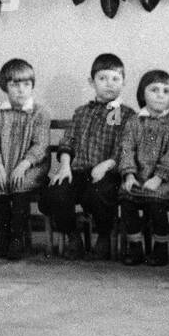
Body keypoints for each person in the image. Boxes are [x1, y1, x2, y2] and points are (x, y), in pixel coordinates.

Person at [43, 52, 133, 260]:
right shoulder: (82, 112)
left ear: (123, 82)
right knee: (57, 191)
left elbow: (124, 147)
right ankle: (73, 235)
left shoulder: (122, 113)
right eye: (102, 79)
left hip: (107, 172)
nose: (109, 84)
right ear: (91, 82)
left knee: (101, 193)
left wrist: (105, 166)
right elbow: (68, 142)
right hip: (77, 171)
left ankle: (103, 235)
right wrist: (65, 166)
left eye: (115, 79)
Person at [118, 70, 169, 266]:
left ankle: (161, 248)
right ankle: (136, 247)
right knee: (127, 199)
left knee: (155, 199)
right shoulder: (134, 121)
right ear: (143, 94)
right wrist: (129, 175)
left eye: (166, 91)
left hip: (168, 179)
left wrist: (158, 178)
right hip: (139, 176)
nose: (160, 94)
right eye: (154, 90)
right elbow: (126, 149)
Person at [0, 57, 51, 260]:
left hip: (31, 167)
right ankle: (5, 236)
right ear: (5, 86)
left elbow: (40, 145)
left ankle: (17, 238)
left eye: (26, 84)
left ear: (32, 86)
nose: (21, 90)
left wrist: (23, 165)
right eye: (15, 84)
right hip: (4, 166)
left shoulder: (39, 113)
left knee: (20, 185)